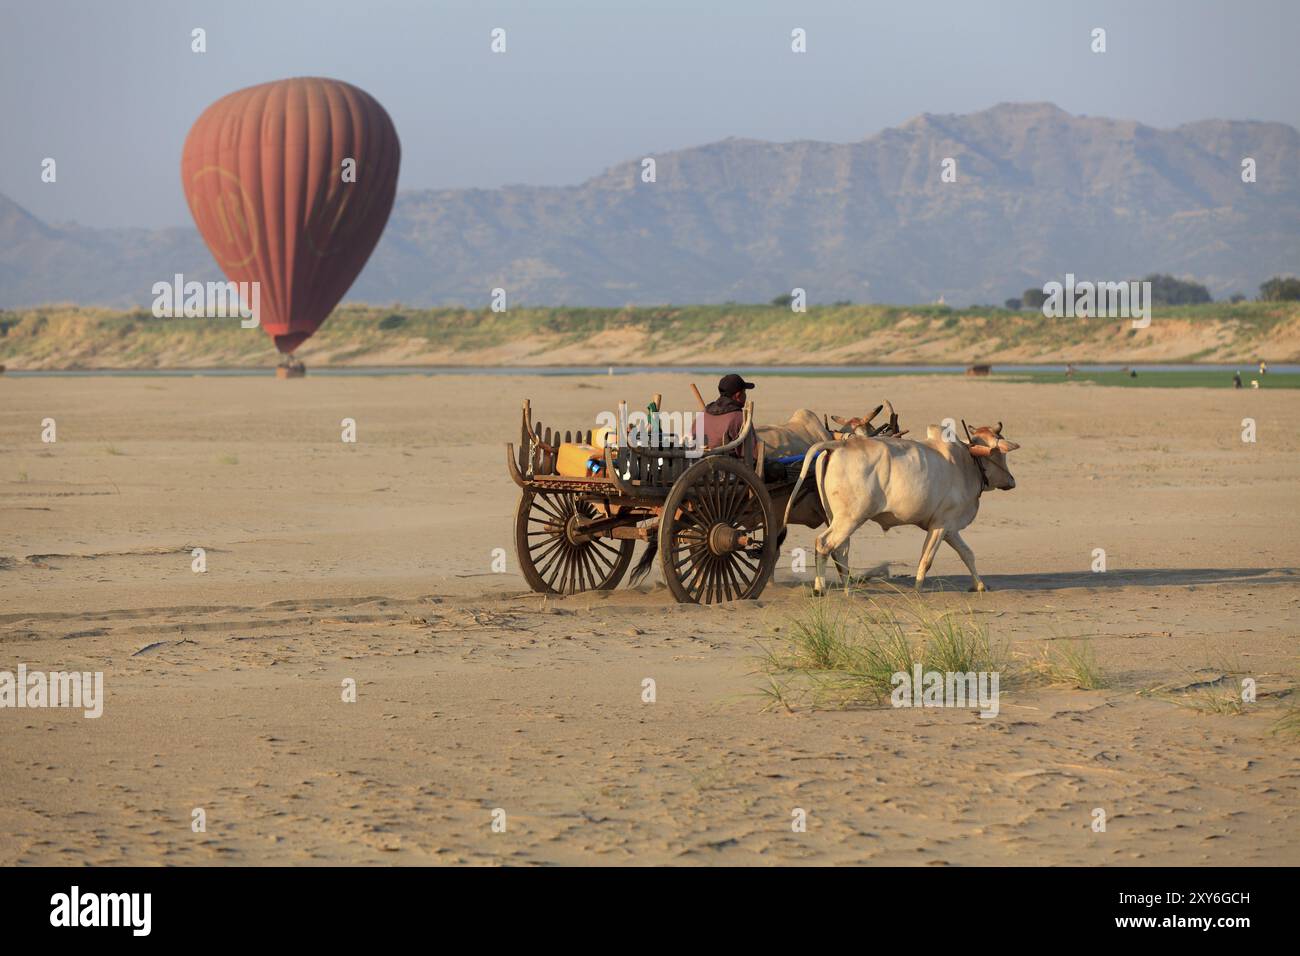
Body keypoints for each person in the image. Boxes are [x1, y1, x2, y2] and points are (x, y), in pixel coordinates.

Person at [703, 373, 756, 457]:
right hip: (726, 465)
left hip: (699, 461)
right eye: (744, 392)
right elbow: (753, 454)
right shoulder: (739, 418)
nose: (745, 396)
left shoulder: (704, 412)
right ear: (738, 395)